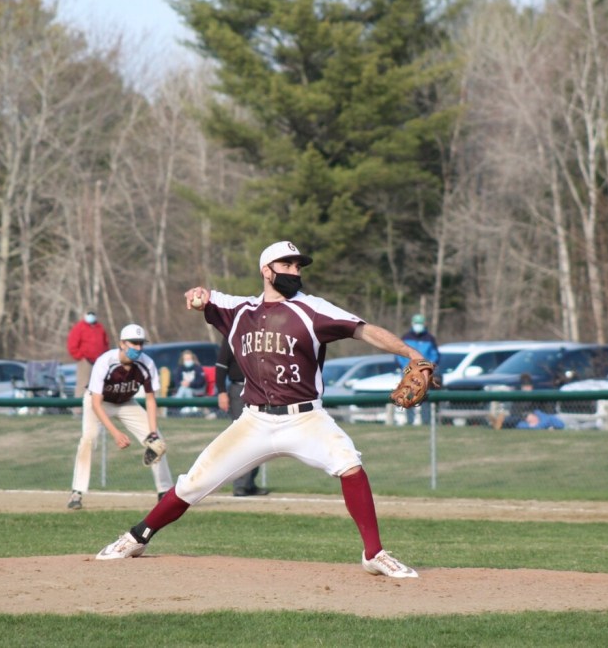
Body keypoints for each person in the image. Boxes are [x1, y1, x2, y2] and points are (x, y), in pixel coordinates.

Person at [94, 240, 428, 578]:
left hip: (306, 418)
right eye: (287, 265)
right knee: (193, 483)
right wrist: (197, 295)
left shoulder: (313, 309)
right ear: (266, 271)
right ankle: (137, 537)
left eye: (298, 266)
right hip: (254, 420)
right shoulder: (241, 310)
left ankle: (374, 553)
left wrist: (411, 353)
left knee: (349, 464)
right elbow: (206, 298)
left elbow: (365, 331)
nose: (295, 271)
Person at [67, 323, 173, 510]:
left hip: (125, 402)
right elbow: (96, 403)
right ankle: (77, 492)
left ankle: (164, 491)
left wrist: (152, 433)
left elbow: (150, 400)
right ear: (122, 343)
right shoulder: (105, 362)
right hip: (98, 402)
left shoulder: (146, 363)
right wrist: (115, 433)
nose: (138, 347)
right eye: (134, 343)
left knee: (157, 443)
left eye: (140, 343)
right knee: (89, 439)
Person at [215, 337, 269, 497]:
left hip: (260, 390)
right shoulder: (233, 334)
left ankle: (249, 483)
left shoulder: (260, 334)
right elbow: (221, 365)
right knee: (243, 438)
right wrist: (221, 391)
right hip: (239, 389)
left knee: (259, 438)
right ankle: (240, 484)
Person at [396, 314, 439, 426]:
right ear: (412, 323)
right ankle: (410, 421)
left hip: (424, 373)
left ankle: (426, 421)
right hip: (408, 372)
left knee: (424, 396)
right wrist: (406, 368)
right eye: (416, 323)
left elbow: (435, 355)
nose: (418, 326)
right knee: (408, 395)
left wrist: (428, 367)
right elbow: (399, 354)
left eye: (420, 323)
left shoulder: (429, 338)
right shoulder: (406, 337)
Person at [67, 309, 111, 412]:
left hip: (99, 361)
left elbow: (105, 343)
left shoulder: (100, 327)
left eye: (93, 314)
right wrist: (80, 356)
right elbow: (72, 345)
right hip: (85, 361)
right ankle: (78, 410)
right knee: (83, 385)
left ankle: (100, 410)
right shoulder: (79, 327)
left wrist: (105, 357)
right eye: (89, 314)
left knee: (100, 385)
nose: (91, 316)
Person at [171, 349, 206, 416]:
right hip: (184, 389)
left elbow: (201, 382)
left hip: (197, 389)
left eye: (189, 359)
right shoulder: (180, 368)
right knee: (184, 388)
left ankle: (176, 405)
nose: (187, 361)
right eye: (186, 359)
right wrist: (181, 383)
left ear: (193, 359)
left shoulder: (198, 368)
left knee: (186, 389)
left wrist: (190, 384)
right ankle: (189, 408)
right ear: (183, 360)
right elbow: (176, 381)